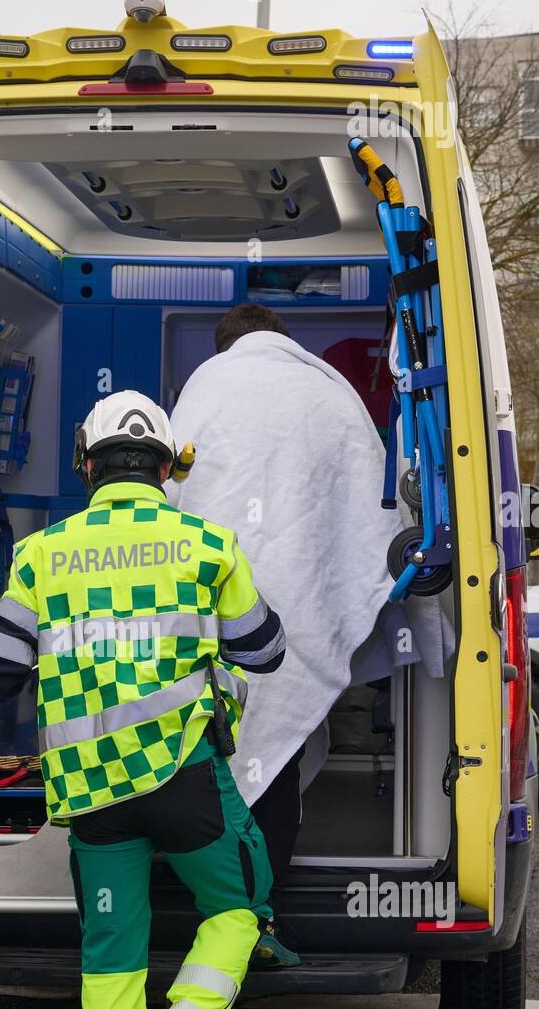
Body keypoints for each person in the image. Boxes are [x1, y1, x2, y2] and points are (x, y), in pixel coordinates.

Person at [0, 390, 285, 1009]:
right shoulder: (207, 544)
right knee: (239, 908)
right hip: (184, 781)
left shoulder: (43, 553)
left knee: (109, 969)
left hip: (92, 798)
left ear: (86, 466)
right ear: (169, 468)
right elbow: (267, 649)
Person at [166, 303, 453, 929]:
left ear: (223, 346)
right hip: (295, 608)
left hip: (209, 605)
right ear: (284, 339)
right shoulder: (331, 392)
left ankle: (193, 899)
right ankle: (258, 910)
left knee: (200, 744)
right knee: (277, 752)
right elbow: (369, 500)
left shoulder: (203, 389)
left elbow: (169, 494)